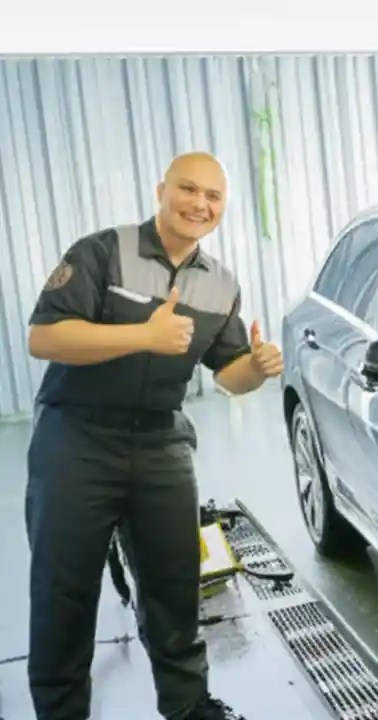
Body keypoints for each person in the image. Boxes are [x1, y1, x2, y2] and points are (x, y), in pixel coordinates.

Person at [24, 151, 283, 720]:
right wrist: (144, 335)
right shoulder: (102, 252)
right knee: (64, 593)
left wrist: (257, 370)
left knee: (175, 585)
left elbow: (229, 374)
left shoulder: (220, 284)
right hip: (77, 437)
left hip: (161, 442)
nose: (200, 204)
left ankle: (188, 707)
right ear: (161, 190)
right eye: (188, 190)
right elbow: (44, 338)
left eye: (213, 197)